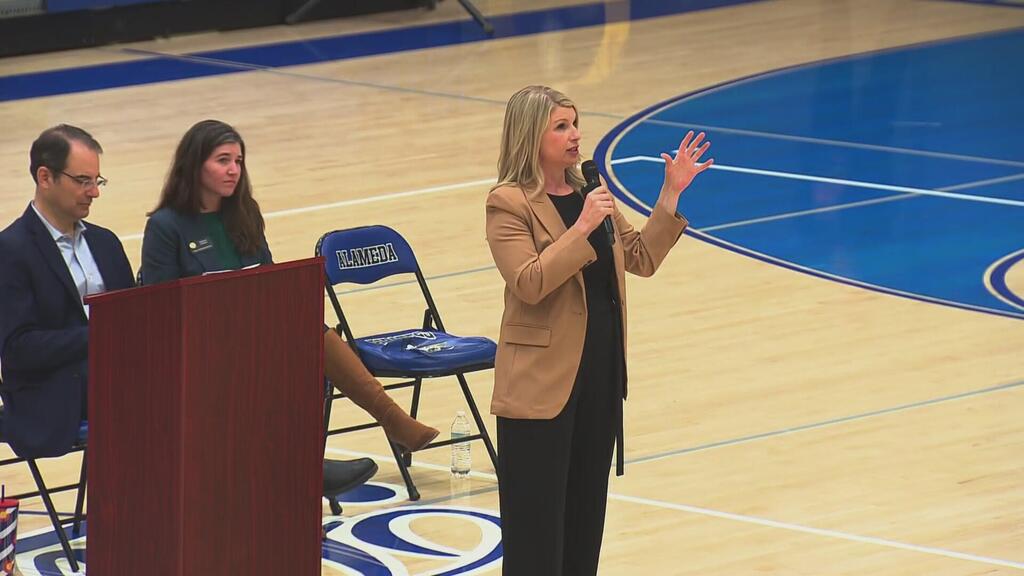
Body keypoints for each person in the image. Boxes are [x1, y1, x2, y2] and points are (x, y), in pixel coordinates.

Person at [485, 86, 713, 575]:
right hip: (540, 386)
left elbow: (641, 258)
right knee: (535, 537)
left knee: (584, 524)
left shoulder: (591, 192)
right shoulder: (508, 203)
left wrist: (670, 194)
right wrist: (582, 228)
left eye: (575, 123)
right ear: (531, 136)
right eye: (561, 127)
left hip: (599, 375)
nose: (575, 135)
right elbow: (529, 282)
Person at [140, 119, 439, 454]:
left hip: (252, 331)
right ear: (195, 164)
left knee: (311, 329)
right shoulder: (166, 226)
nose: (233, 170)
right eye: (223, 160)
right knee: (298, 346)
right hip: (202, 342)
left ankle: (381, 423)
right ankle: (327, 454)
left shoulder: (244, 212)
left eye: (238, 161)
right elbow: (159, 307)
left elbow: (270, 280)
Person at [0, 124, 135, 459]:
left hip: (119, 380)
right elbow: (18, 350)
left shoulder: (106, 242)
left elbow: (133, 317)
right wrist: (98, 335)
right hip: (54, 396)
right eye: (83, 181)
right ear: (45, 177)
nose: (94, 192)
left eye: (97, 181)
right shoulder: (10, 250)